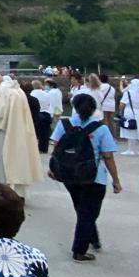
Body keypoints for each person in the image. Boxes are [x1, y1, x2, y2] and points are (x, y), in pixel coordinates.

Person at [49, 93, 123, 262]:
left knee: (82, 209)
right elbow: (108, 156)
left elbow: (57, 147)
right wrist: (116, 180)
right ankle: (79, 250)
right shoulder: (100, 129)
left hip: (69, 174)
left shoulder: (64, 124)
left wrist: (53, 168)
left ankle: (92, 237)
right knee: (89, 212)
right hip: (93, 176)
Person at [0, 73, 44, 199]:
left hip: (4, 132)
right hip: (19, 131)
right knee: (18, 161)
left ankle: (3, 192)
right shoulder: (18, 90)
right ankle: (18, 192)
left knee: (3, 161)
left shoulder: (2, 91)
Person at [29, 79, 54, 154]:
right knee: (45, 133)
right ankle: (44, 148)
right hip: (46, 114)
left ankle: (35, 148)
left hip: (37, 114)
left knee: (36, 132)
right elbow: (49, 104)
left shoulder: (32, 94)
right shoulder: (46, 93)